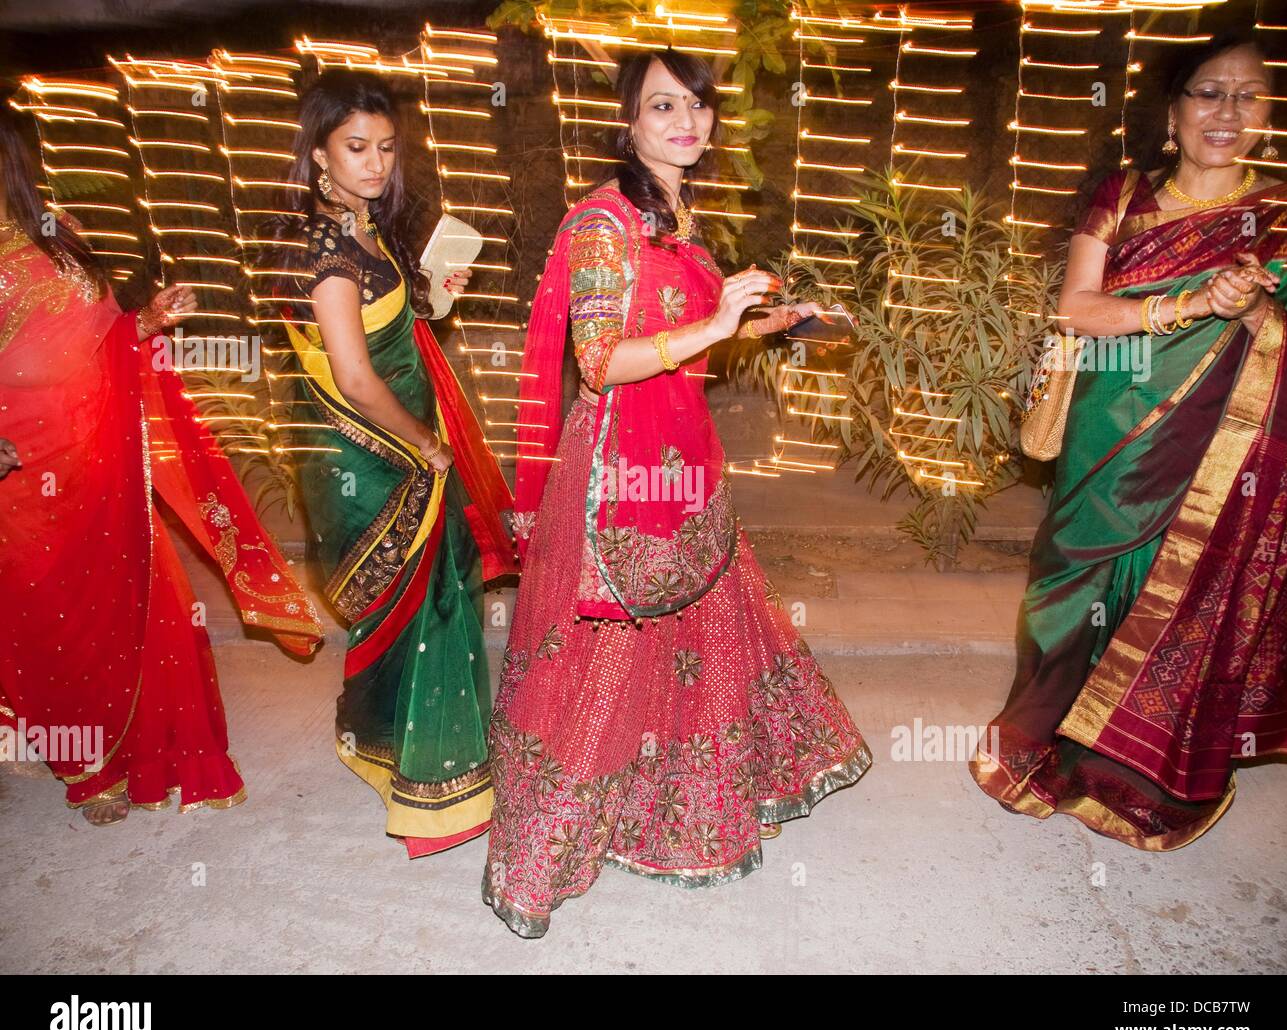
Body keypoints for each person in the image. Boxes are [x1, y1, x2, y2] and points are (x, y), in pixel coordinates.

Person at [481, 48, 872, 937]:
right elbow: (598, 362)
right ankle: (535, 865)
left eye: (697, 106)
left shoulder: (676, 217)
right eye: (664, 106)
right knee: (606, 660)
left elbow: (690, 347)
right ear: (629, 120)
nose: (686, 123)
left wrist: (766, 325)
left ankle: (672, 805)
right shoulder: (601, 226)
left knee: (699, 631)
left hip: (682, 456)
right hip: (620, 473)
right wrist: (715, 320)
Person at [972, 31, 1287, 849]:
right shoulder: (1122, 195)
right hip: (1107, 421)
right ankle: (1037, 743)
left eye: (1248, 95)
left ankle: (1133, 776)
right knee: (1067, 584)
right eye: (1208, 92)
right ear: (1173, 112)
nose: (1227, 111)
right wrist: (1192, 306)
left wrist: (1258, 310)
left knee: (1181, 589)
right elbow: (1077, 307)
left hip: (1221, 452)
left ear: (1266, 114)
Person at [0, 104, 321, 825]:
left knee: (138, 601)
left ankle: (154, 751)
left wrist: (147, 320)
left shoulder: (60, 239)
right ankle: (88, 767)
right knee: (46, 623)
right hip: (18, 473)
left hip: (96, 457)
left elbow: (104, 336)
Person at [274, 71, 516, 858]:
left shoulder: (364, 227)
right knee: (430, 604)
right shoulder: (326, 251)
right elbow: (353, 375)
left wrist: (434, 295)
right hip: (378, 454)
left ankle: (394, 739)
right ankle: (434, 783)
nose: (375, 164)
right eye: (356, 148)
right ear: (317, 152)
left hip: (409, 435)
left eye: (384, 148)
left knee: (437, 593)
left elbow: (398, 328)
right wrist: (423, 441)